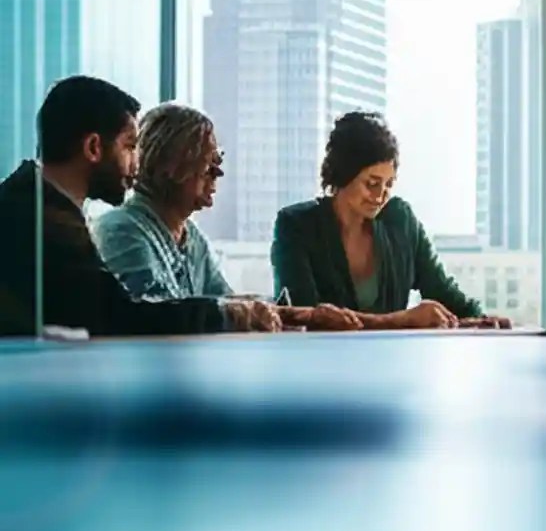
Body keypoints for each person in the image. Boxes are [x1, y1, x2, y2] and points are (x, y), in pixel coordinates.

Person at [0, 77, 284, 336]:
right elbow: (119, 316)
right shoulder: (40, 222)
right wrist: (225, 313)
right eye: (130, 146)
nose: (138, 164)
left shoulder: (36, 207)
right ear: (94, 148)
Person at [92, 104, 362, 331]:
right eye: (207, 160)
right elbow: (149, 317)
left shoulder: (193, 239)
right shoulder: (121, 230)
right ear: (169, 164)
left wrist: (307, 316)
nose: (217, 172)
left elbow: (226, 302)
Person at [272, 112, 499, 329]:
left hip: (390, 362)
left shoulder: (400, 220)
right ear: (343, 174)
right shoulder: (296, 226)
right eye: (371, 184)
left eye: (388, 184)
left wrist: (486, 321)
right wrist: (402, 320)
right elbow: (303, 317)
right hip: (317, 363)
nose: (380, 196)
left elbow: (445, 294)